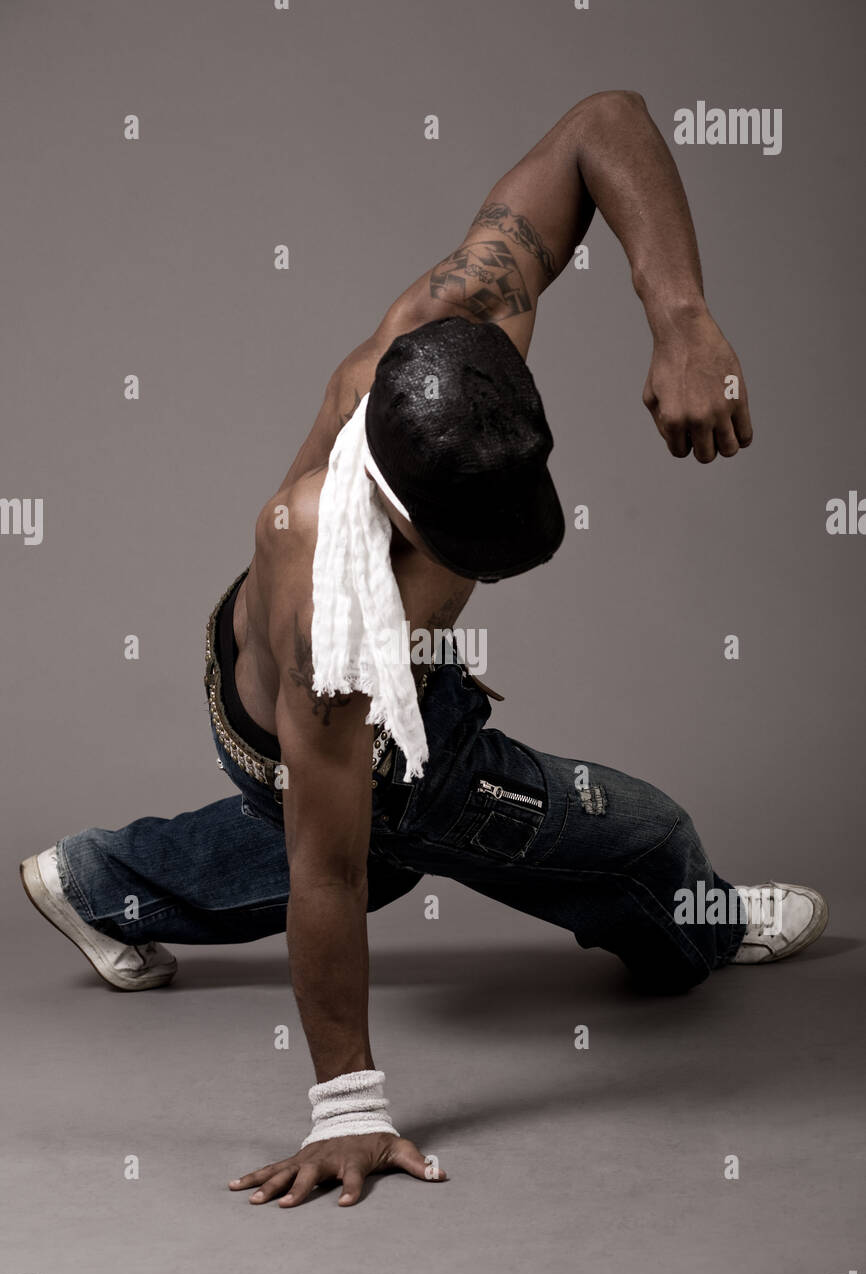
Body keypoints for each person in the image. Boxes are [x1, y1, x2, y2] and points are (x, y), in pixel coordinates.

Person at [21, 91, 827, 1210]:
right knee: (632, 837)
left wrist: (680, 311)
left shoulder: (458, 319)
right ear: (397, 522)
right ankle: (697, 919)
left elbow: (603, 123)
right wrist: (345, 1106)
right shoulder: (326, 611)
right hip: (339, 720)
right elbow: (327, 868)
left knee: (380, 855)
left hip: (258, 671)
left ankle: (102, 880)